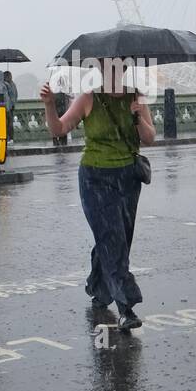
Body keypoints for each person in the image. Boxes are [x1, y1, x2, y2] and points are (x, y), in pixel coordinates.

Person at [40, 63, 156, 332]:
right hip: (95, 178)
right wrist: (49, 104)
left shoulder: (136, 98)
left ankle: (98, 288)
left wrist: (139, 117)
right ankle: (126, 308)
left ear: (125, 69)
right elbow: (58, 130)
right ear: (102, 71)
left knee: (118, 239)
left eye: (119, 68)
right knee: (111, 238)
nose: (114, 73)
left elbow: (150, 138)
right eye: (108, 69)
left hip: (127, 178)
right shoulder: (88, 98)